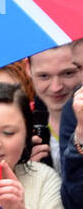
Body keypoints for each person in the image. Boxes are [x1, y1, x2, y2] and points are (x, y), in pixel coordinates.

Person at [27, 42, 83, 172]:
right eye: (44, 76)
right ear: (28, 69)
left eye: (68, 73)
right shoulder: (20, 125)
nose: (56, 87)